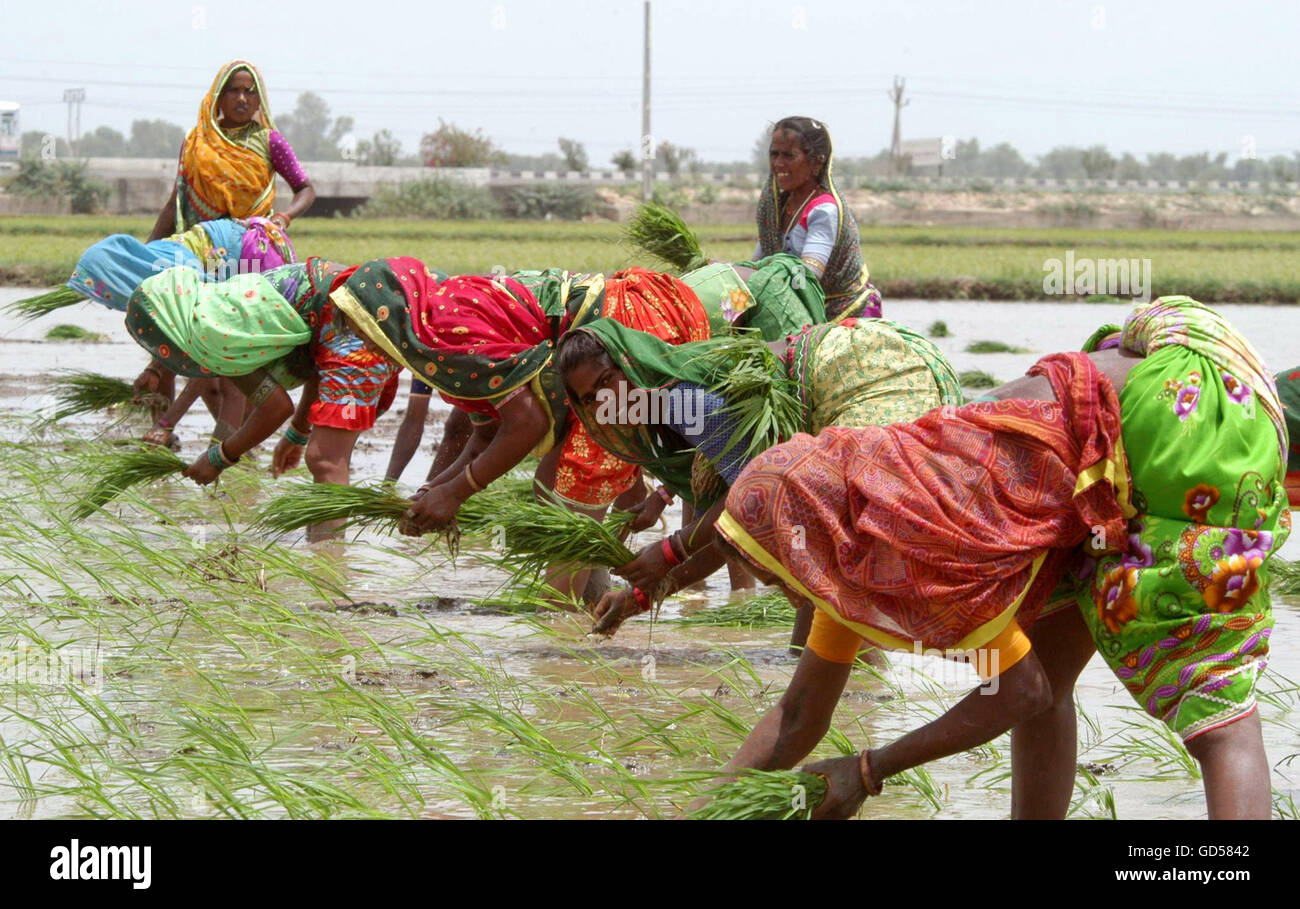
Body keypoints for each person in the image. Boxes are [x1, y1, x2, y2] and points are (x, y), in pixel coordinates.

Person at [628, 296, 1285, 820]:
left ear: (812, 534)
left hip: (1188, 422)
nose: (785, 588)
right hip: (1113, 427)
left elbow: (1014, 691)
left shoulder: (911, 542)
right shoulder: (853, 544)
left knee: (1213, 707)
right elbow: (799, 715)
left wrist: (866, 771)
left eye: (780, 565)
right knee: (1052, 665)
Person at [328, 259, 712, 601]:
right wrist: (436, 489)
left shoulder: (443, 328)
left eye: (363, 330)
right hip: (605, 339)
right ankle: (593, 609)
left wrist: (456, 494)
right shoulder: (435, 321)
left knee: (573, 491)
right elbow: (483, 436)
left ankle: (556, 628)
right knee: (552, 491)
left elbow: (530, 422)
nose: (365, 345)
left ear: (387, 316)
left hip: (617, 341)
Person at [560, 314, 961, 628]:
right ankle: (843, 679)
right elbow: (720, 538)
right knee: (828, 544)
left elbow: (746, 505)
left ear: (630, 364)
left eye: (609, 380)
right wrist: (637, 599)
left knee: (835, 524)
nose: (605, 401)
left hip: (868, 372)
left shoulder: (685, 399)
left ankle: (843, 676)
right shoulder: (664, 415)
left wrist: (667, 551)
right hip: (842, 384)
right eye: (590, 398)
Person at [126, 260, 400, 537]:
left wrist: (220, 457)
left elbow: (276, 408)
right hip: (362, 310)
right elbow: (320, 360)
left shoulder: (214, 334)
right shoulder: (221, 306)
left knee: (326, 459)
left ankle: (331, 566)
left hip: (356, 322)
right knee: (327, 456)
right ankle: (325, 559)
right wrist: (297, 434)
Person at [136, 60, 315, 425]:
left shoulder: (269, 142)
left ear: (260, 99)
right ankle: (162, 439)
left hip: (246, 258)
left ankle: (230, 448)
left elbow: (306, 188)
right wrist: (146, 255)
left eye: (251, 92)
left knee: (233, 360)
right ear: (218, 96)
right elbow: (176, 200)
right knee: (169, 349)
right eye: (234, 90)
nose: (242, 98)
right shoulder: (196, 141)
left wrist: (285, 217)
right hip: (198, 255)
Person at [755, 116, 881, 320]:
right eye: (774, 154)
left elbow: (807, 277)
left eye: (789, 156)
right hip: (797, 307)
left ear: (816, 162)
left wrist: (755, 279)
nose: (778, 164)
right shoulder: (777, 208)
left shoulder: (824, 210)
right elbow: (757, 263)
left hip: (841, 312)